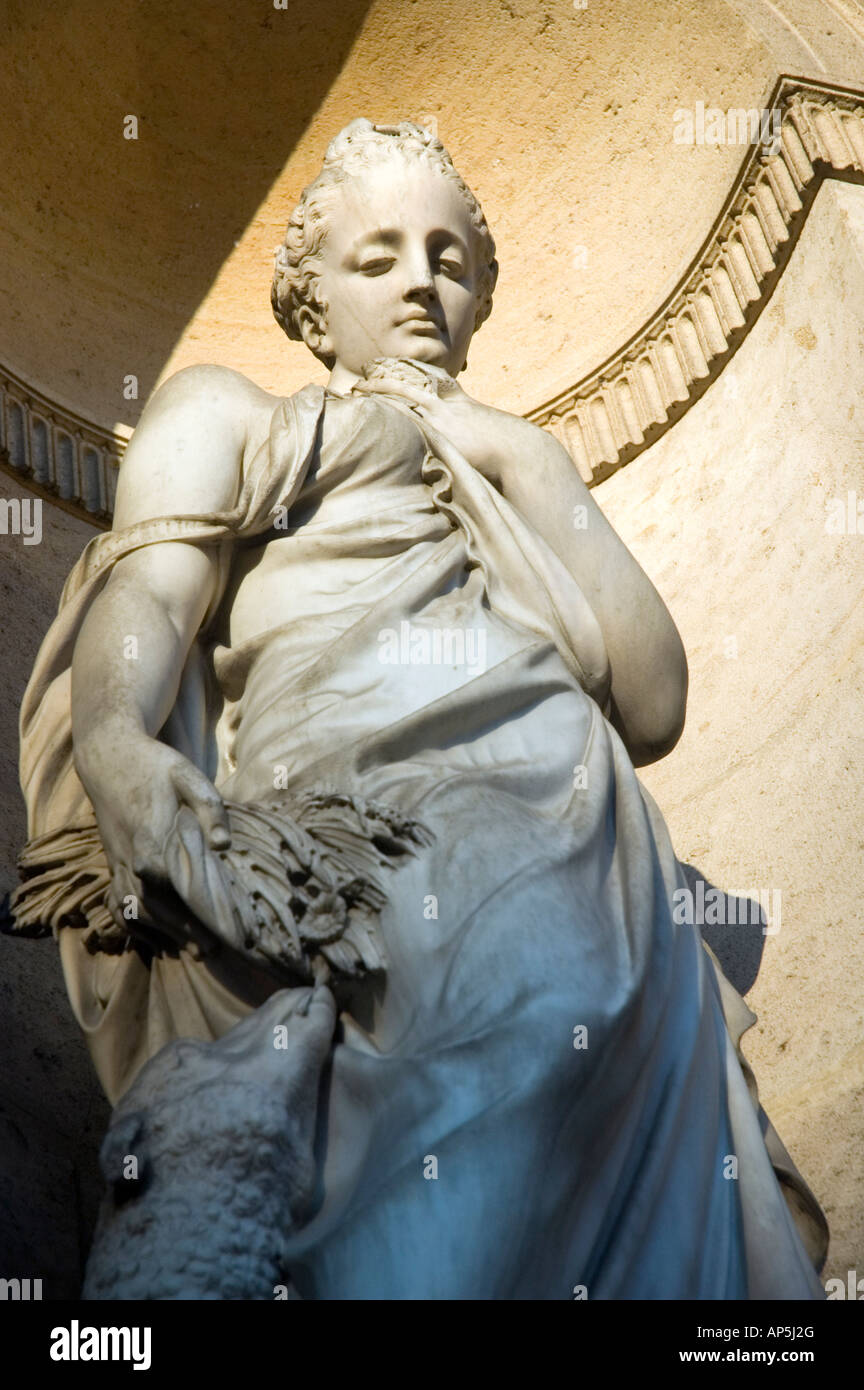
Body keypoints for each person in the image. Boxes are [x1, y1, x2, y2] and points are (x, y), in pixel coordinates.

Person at [8, 119, 826, 1298]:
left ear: (481, 297)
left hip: (579, 829)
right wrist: (118, 746)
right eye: (377, 255)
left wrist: (531, 462)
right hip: (379, 815)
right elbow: (148, 587)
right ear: (310, 301)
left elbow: (653, 699)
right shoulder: (243, 415)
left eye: (449, 259)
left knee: (558, 1046)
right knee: (521, 1036)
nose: (417, 282)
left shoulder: (508, 462)